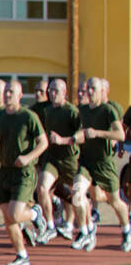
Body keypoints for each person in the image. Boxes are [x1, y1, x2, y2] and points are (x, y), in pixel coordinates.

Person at [0, 80, 47, 265]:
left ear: (19, 95)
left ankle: (34, 214)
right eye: (6, 92)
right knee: (8, 217)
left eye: (11, 92)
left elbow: (43, 143)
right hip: (4, 171)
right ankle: (21, 255)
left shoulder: (28, 116)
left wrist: (28, 157)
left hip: (23, 172)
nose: (7, 95)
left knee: (15, 214)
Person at [74, 76, 130, 251]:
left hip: (104, 163)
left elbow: (120, 135)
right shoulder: (81, 110)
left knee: (115, 202)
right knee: (77, 192)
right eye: (87, 88)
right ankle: (85, 231)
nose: (89, 92)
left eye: (93, 89)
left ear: (101, 92)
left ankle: (127, 230)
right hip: (86, 161)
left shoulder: (108, 111)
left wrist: (97, 133)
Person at [38, 78, 80, 243]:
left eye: (56, 91)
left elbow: (80, 136)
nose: (52, 94)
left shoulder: (72, 111)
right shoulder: (47, 111)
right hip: (52, 158)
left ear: (64, 93)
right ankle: (50, 226)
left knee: (75, 194)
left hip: (70, 159)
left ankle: (77, 225)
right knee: (42, 188)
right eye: (50, 91)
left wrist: (63, 140)